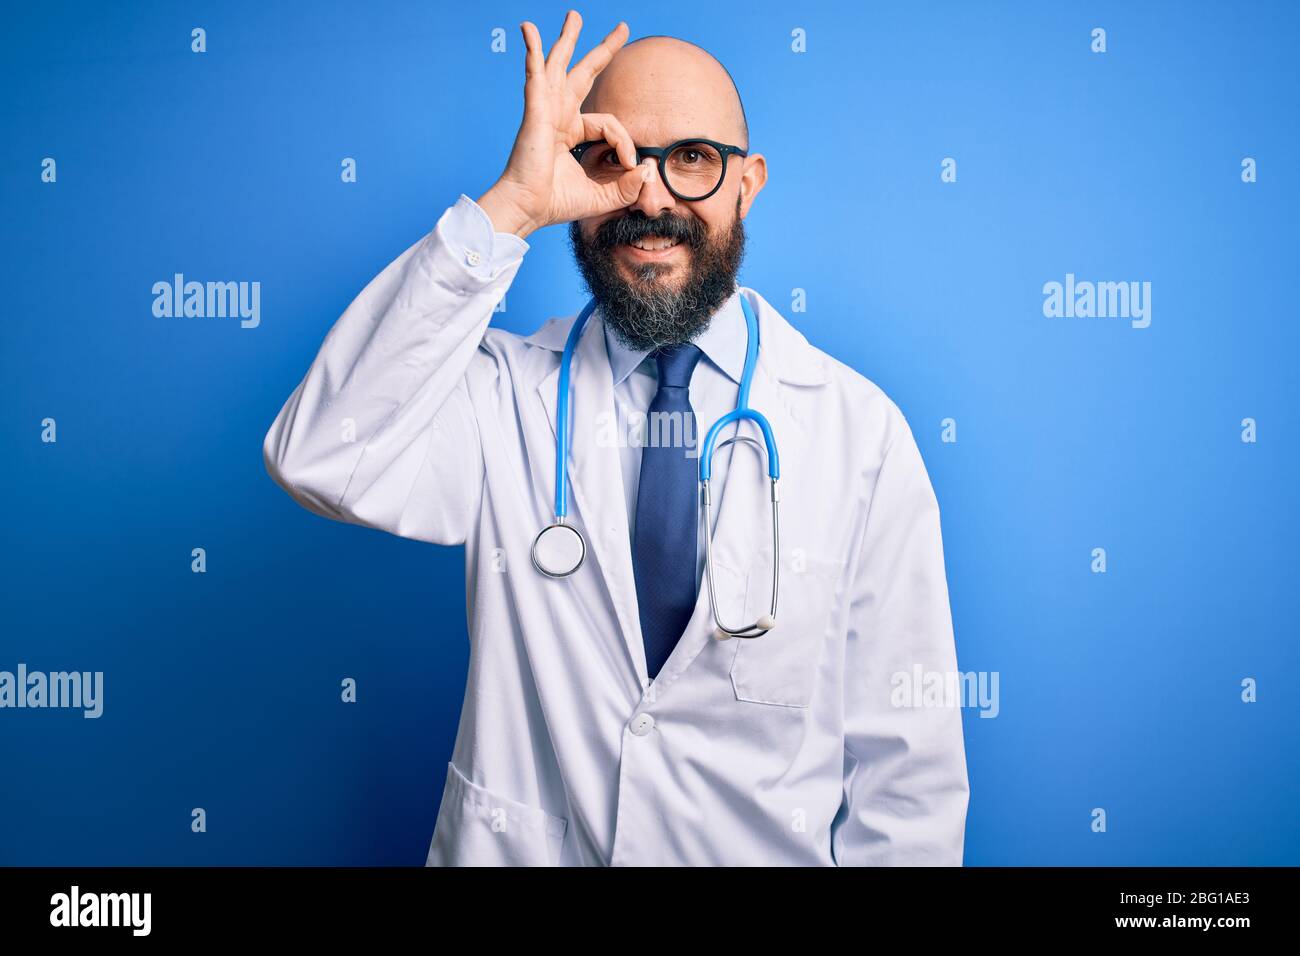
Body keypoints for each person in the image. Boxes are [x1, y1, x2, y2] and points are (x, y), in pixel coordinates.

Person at [263, 11, 969, 866]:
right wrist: (511, 207)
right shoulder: (502, 393)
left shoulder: (859, 433)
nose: (653, 196)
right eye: (614, 157)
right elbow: (321, 455)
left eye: (694, 160)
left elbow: (908, 783)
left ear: (749, 183)